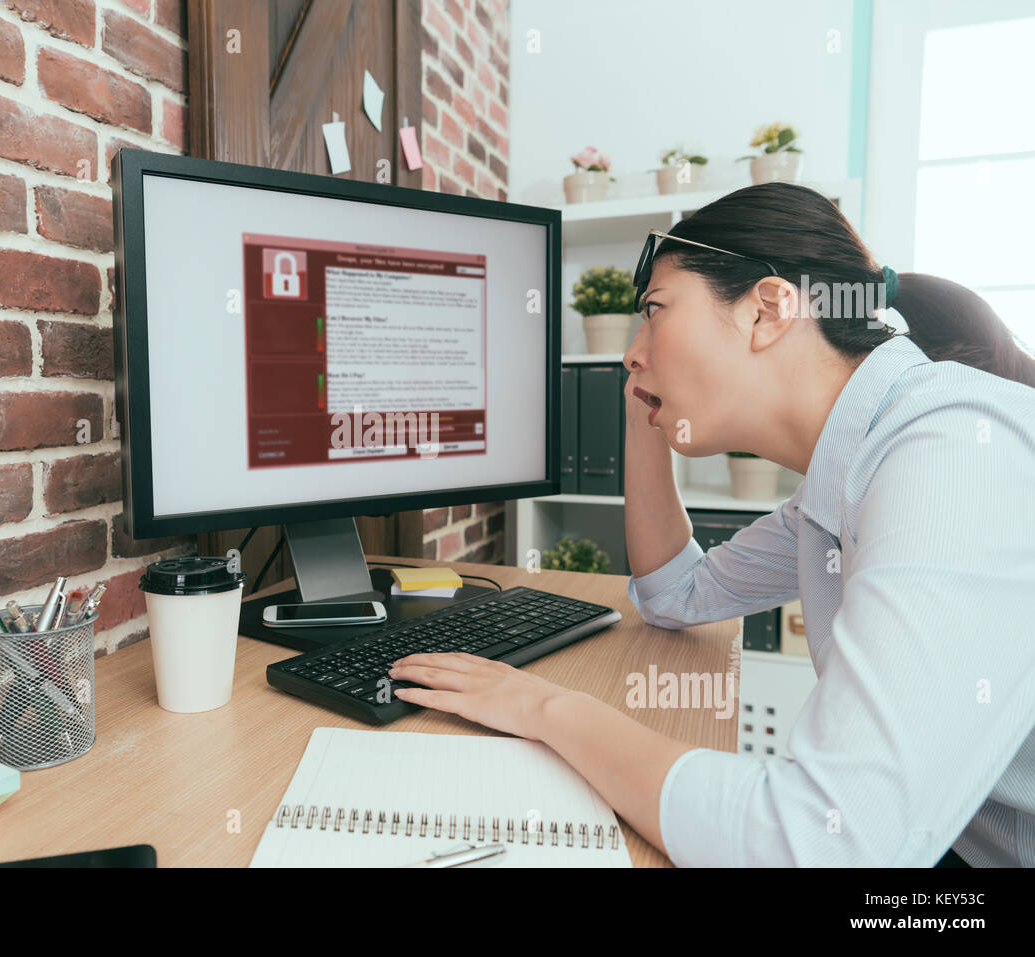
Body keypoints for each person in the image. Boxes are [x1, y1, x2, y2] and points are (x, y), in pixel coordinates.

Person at [388, 182, 1035, 866]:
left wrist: (546, 709)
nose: (632, 351)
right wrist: (645, 411)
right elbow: (675, 594)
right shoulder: (841, 483)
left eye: (654, 311)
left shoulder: (951, 455)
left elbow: (819, 843)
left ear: (768, 310)